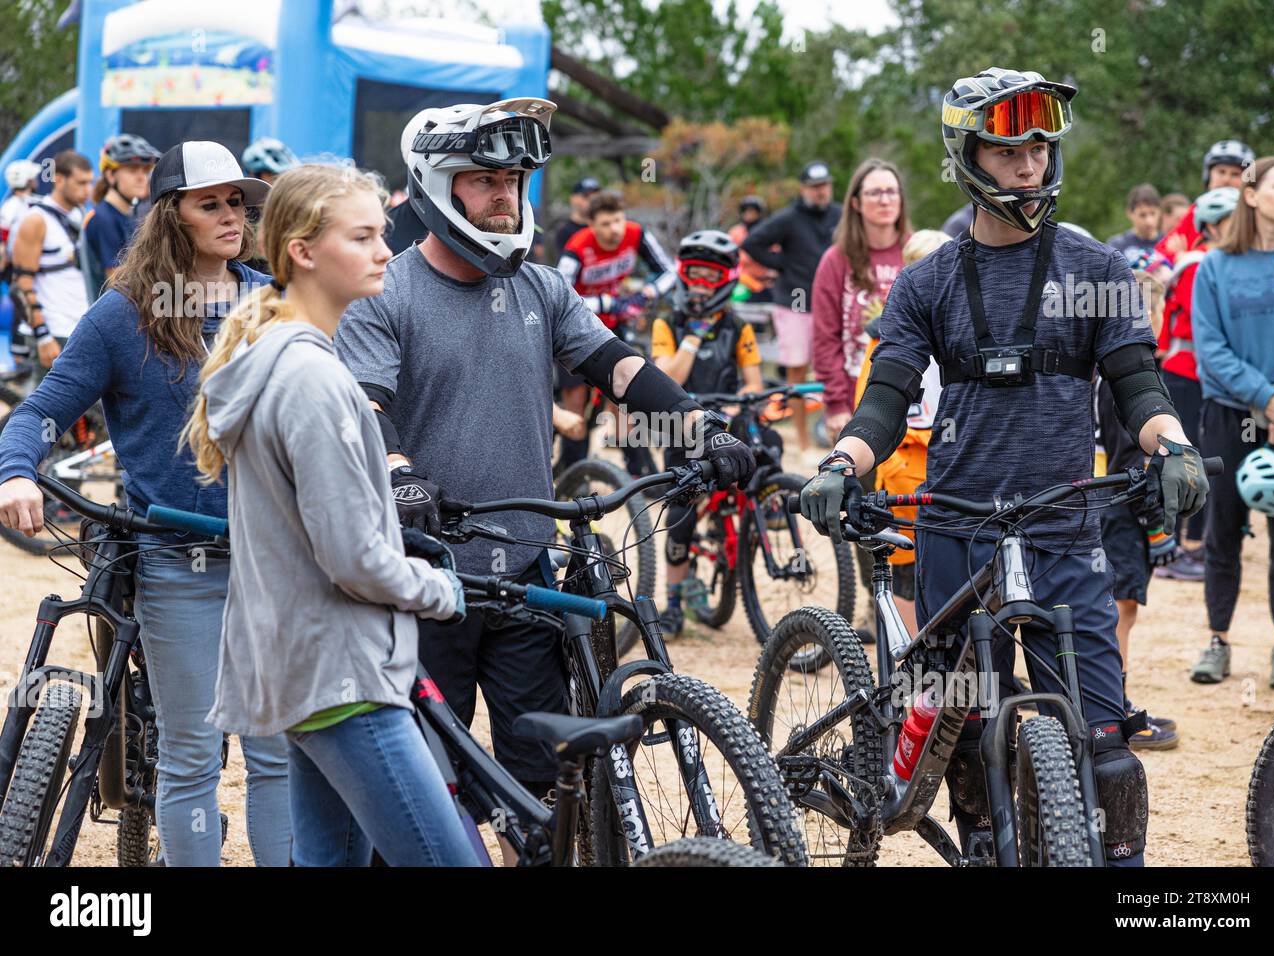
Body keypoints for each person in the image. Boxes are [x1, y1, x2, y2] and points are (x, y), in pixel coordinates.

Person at [800, 67, 1209, 866]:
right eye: (1008, 150)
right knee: (967, 723)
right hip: (957, 525)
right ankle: (984, 845)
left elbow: (1136, 384)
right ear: (968, 156)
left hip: (1066, 527)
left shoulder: (1098, 272)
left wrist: (1175, 444)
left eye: (1040, 147)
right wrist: (843, 461)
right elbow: (884, 399)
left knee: (1106, 740)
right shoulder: (926, 281)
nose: (1030, 165)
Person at [333, 99, 754, 830]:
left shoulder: (543, 287)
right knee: (430, 790)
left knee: (541, 790)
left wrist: (701, 426)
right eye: (486, 178)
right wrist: (399, 470)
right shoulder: (387, 291)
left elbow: (616, 366)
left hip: (529, 577)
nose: (506, 194)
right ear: (438, 183)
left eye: (516, 179)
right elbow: (366, 403)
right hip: (426, 578)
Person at [0, 141, 290, 866]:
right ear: (170, 215)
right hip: (177, 566)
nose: (232, 215)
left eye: (237, 202)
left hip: (277, 561)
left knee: (277, 752)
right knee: (191, 754)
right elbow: (40, 412)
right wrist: (16, 473)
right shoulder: (120, 316)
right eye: (210, 202)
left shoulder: (273, 300)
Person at [182, 163, 480, 867]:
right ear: (303, 252)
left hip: (302, 668)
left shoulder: (275, 358)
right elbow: (352, 559)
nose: (386, 252)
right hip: (342, 677)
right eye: (365, 236)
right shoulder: (315, 379)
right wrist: (439, 589)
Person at [1188, 155, 1274, 690]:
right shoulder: (1214, 267)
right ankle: (1218, 639)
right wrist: (1265, 398)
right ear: (1251, 195)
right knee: (1222, 532)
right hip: (1229, 416)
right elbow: (1211, 351)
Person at [651, 230, 763, 636]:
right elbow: (668, 380)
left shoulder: (738, 327)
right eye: (693, 274)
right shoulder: (668, 322)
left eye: (709, 276)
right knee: (680, 514)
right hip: (682, 428)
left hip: (727, 428)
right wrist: (694, 334)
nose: (699, 284)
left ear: (725, 279)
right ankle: (674, 602)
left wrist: (736, 406)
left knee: (767, 452)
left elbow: (753, 381)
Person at [1096, 257, 1179, 750]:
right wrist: (1156, 527)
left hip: (1114, 503)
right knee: (1118, 612)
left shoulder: (1114, 375)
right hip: (1122, 510)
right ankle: (1116, 713)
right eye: (1157, 307)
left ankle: (1112, 706)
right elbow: (1136, 462)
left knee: (1118, 610)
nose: (1162, 315)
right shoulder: (1131, 379)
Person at [849, 228, 949, 636]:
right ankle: (911, 657)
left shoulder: (967, 331)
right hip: (904, 473)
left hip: (954, 472)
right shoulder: (888, 339)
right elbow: (870, 412)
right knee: (903, 571)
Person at [1152, 187, 1240, 581]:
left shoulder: (1214, 262)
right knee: (1187, 452)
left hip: (1202, 373)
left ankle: (1197, 541)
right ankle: (1177, 541)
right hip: (1186, 372)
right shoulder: (1197, 266)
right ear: (1213, 226)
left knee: (1204, 452)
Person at [556, 190, 677, 477]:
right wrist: (605, 302)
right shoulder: (577, 246)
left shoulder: (636, 234)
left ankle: (638, 472)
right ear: (592, 225)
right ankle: (572, 473)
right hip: (575, 326)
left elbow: (670, 271)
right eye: (606, 224)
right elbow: (558, 295)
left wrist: (649, 291)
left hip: (614, 325)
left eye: (619, 220)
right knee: (576, 403)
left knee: (624, 397)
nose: (615, 229)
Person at [742, 160, 843, 452]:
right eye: (814, 187)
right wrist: (782, 265)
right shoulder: (788, 218)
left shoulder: (840, 215)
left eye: (824, 185)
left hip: (832, 303)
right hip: (794, 303)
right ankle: (802, 441)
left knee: (834, 371)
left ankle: (834, 435)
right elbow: (752, 242)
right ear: (803, 189)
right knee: (798, 370)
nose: (820, 192)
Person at [812, 157, 911, 439]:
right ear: (855, 203)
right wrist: (835, 403)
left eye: (891, 191)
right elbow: (825, 338)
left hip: (915, 402)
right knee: (862, 483)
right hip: (857, 400)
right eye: (874, 193)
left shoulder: (916, 252)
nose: (885, 200)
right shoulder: (835, 260)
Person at [7, 150, 93, 386]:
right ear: (59, 179)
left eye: (90, 182)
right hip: (53, 332)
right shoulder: (36, 220)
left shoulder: (80, 214)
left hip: (79, 327)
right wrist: (43, 336)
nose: (87, 190)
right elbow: (21, 285)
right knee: (47, 417)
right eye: (81, 183)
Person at [1150, 139, 1254, 288]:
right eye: (1221, 172)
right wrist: (1178, 257)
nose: (1226, 179)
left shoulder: (1254, 215)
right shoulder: (1197, 212)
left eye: (1235, 174)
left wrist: (1187, 256)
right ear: (1208, 175)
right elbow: (1159, 255)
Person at [82, 134, 161, 299]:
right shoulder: (103, 218)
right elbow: (121, 285)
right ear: (111, 175)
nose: (142, 177)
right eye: (132, 170)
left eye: (146, 170)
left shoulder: (127, 215)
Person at [1, 159, 43, 368]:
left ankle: (27, 352)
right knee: (21, 307)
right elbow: (3, 241)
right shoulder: (14, 207)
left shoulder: (29, 202)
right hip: (19, 266)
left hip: (28, 264)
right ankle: (20, 356)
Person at [728, 195, 776, 303]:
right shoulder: (736, 232)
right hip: (743, 280)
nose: (749, 215)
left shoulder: (768, 232)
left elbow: (775, 253)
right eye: (747, 211)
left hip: (765, 281)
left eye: (752, 211)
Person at [1105, 183, 1162, 264]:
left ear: (1159, 211)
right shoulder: (1116, 246)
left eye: (1153, 213)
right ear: (1129, 213)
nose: (1149, 221)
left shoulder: (1168, 244)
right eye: (1142, 215)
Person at [550, 176, 600, 263]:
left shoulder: (602, 227)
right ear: (573, 198)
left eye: (596, 197)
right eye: (586, 196)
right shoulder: (564, 232)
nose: (592, 200)